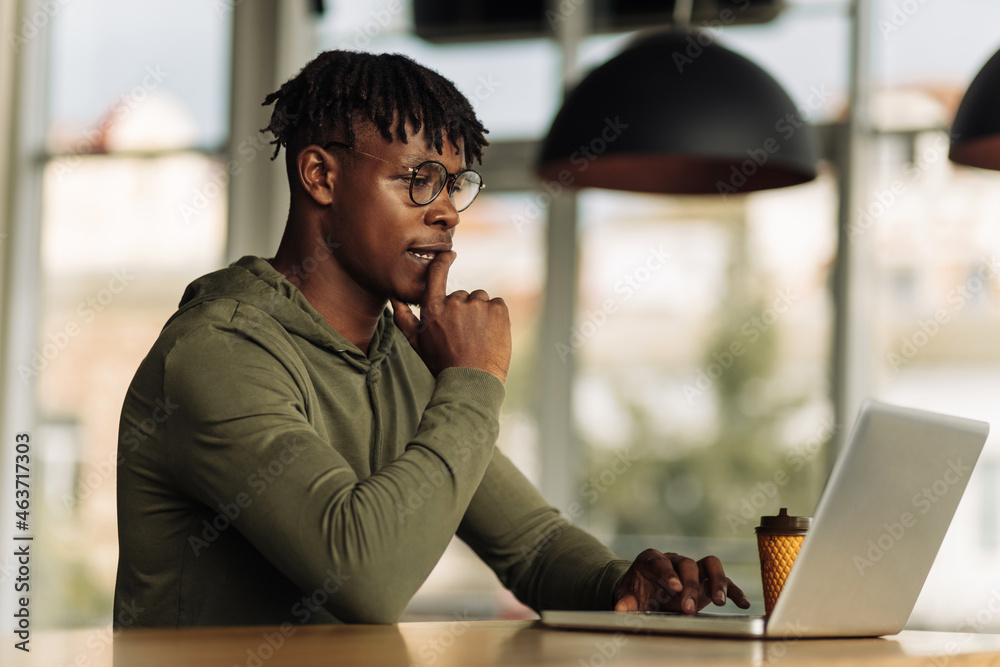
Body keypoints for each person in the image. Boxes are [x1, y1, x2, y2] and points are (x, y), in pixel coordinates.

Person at [113, 50, 750, 627]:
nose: (445, 210)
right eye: (418, 178)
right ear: (320, 176)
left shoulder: (401, 355)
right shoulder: (219, 350)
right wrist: (473, 383)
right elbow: (362, 579)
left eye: (454, 184)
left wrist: (628, 583)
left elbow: (532, 545)